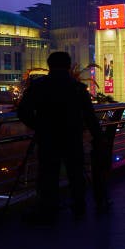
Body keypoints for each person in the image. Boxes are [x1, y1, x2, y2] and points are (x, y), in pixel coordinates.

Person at [17, 51, 106, 221]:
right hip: (72, 137)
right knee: (76, 173)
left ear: (49, 65)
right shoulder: (77, 88)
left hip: (48, 138)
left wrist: (39, 126)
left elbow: (23, 111)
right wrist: (98, 137)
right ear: (68, 66)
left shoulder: (39, 86)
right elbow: (89, 116)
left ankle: (49, 209)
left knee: (48, 174)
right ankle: (79, 207)